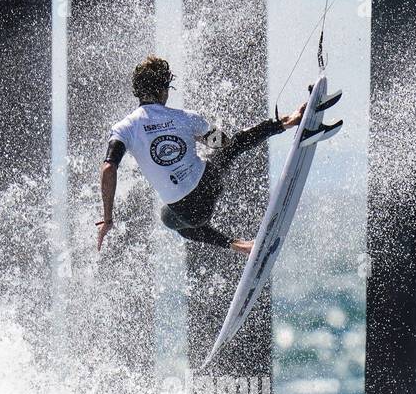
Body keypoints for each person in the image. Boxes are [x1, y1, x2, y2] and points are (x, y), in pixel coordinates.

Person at [97, 55, 304, 255]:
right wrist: (196, 138)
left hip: (188, 213)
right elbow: (224, 143)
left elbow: (109, 168)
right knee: (234, 145)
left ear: (138, 91)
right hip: (208, 185)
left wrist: (108, 219)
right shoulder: (185, 118)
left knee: (168, 218)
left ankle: (242, 247)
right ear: (164, 89)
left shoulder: (125, 128)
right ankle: (288, 121)